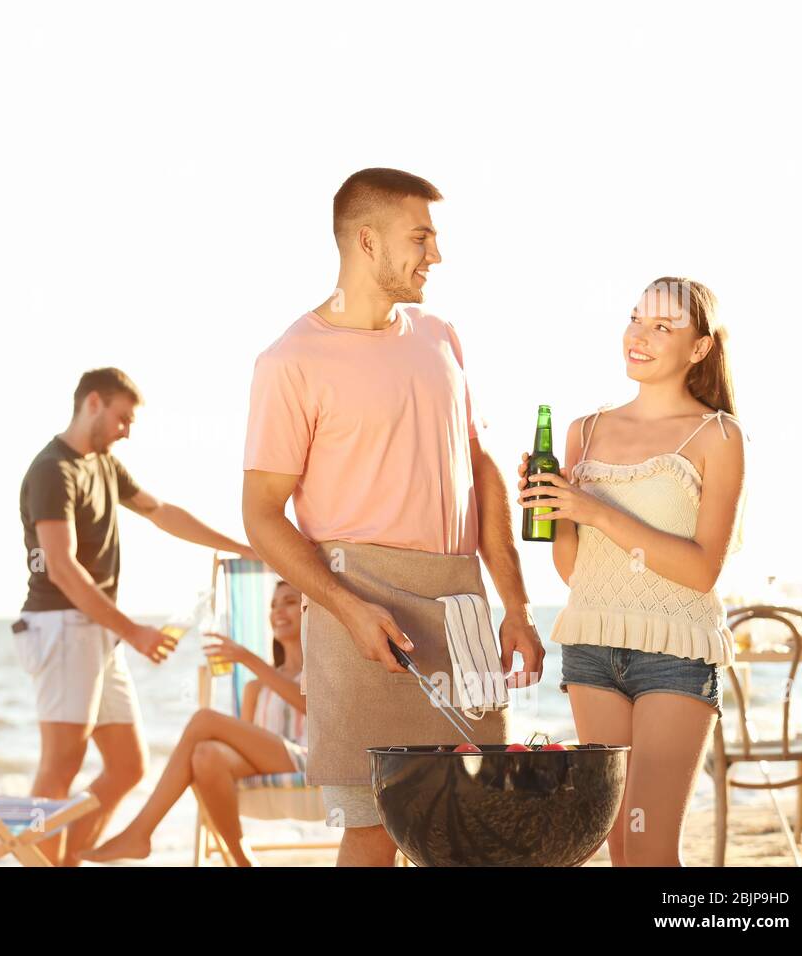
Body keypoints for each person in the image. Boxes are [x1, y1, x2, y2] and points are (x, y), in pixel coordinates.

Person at [241, 168, 545, 867]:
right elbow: (261, 515)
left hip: (460, 603)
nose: (434, 255)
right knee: (374, 825)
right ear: (367, 241)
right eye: (421, 237)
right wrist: (346, 608)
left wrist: (517, 605)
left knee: (476, 821)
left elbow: (482, 468)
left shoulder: (439, 335)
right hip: (362, 608)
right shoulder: (289, 360)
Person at [516, 277, 745, 867]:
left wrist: (593, 509)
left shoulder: (717, 437)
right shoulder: (583, 431)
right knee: (617, 844)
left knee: (648, 845)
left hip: (675, 652)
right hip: (590, 649)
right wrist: (557, 508)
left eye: (663, 327)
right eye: (637, 319)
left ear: (699, 348)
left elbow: (700, 571)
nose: (640, 336)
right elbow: (574, 571)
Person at [16, 366, 258, 865]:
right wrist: (135, 632)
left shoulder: (104, 464)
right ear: (94, 403)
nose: (127, 430)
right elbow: (61, 568)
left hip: (95, 631)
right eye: (124, 418)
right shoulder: (51, 470)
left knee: (127, 765)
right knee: (59, 767)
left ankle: (67, 861)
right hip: (60, 625)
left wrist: (242, 548)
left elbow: (162, 512)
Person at [81, 580, 307, 866]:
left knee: (205, 719)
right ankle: (243, 861)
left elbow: (308, 706)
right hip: (272, 762)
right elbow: (246, 746)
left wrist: (246, 658)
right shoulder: (255, 689)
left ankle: (140, 832)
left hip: (311, 762)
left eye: (289, 601)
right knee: (206, 754)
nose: (277, 611)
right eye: (273, 605)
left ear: (308, 609)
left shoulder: (320, 670)